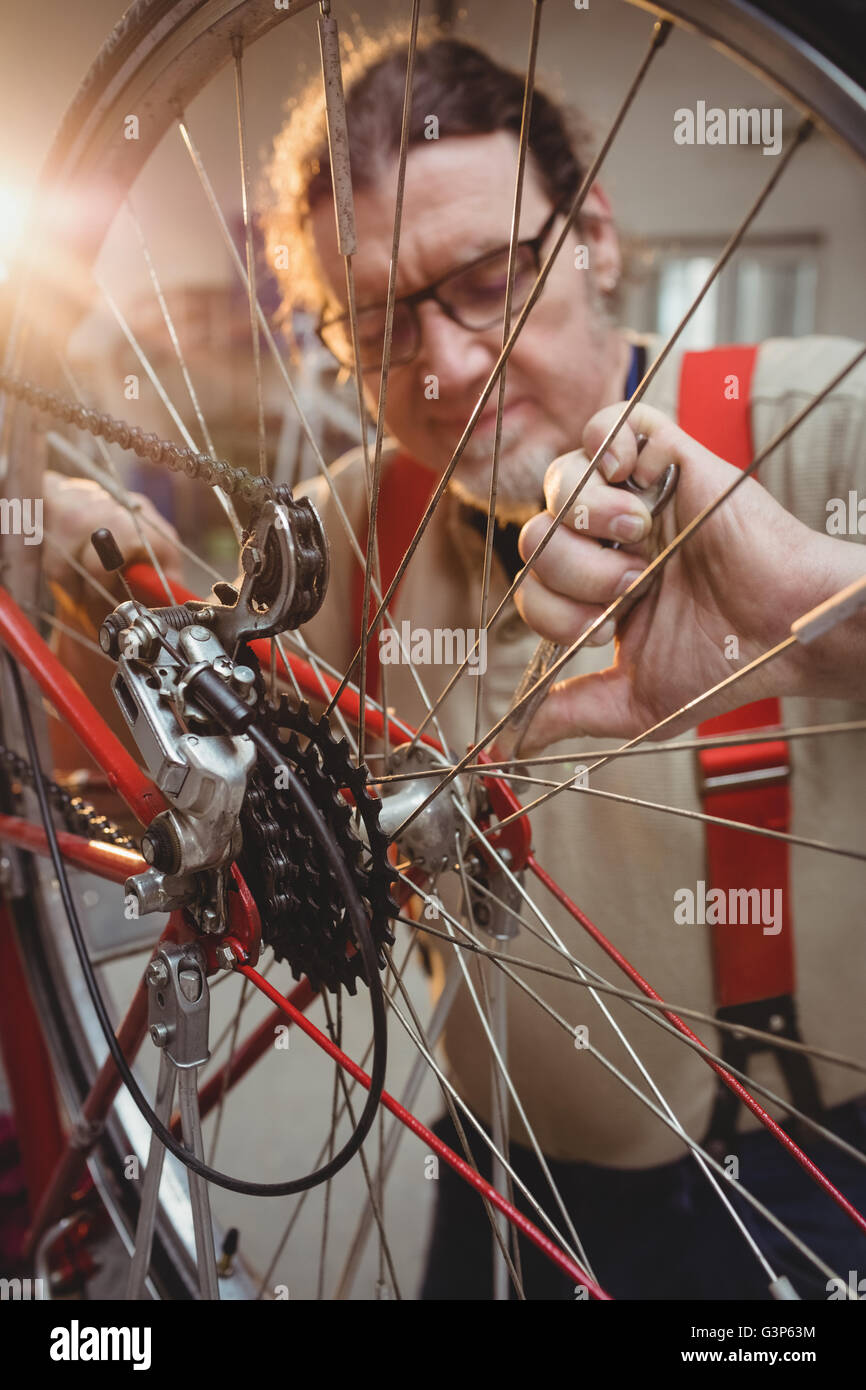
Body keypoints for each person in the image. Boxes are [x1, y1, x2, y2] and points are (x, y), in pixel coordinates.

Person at [43, 32, 866, 1299]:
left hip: (794, 1176)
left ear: (587, 233)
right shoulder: (345, 527)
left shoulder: (818, 422)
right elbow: (154, 793)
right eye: (375, 323)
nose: (450, 367)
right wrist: (105, 596)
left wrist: (821, 610)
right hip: (499, 1178)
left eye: (489, 280)